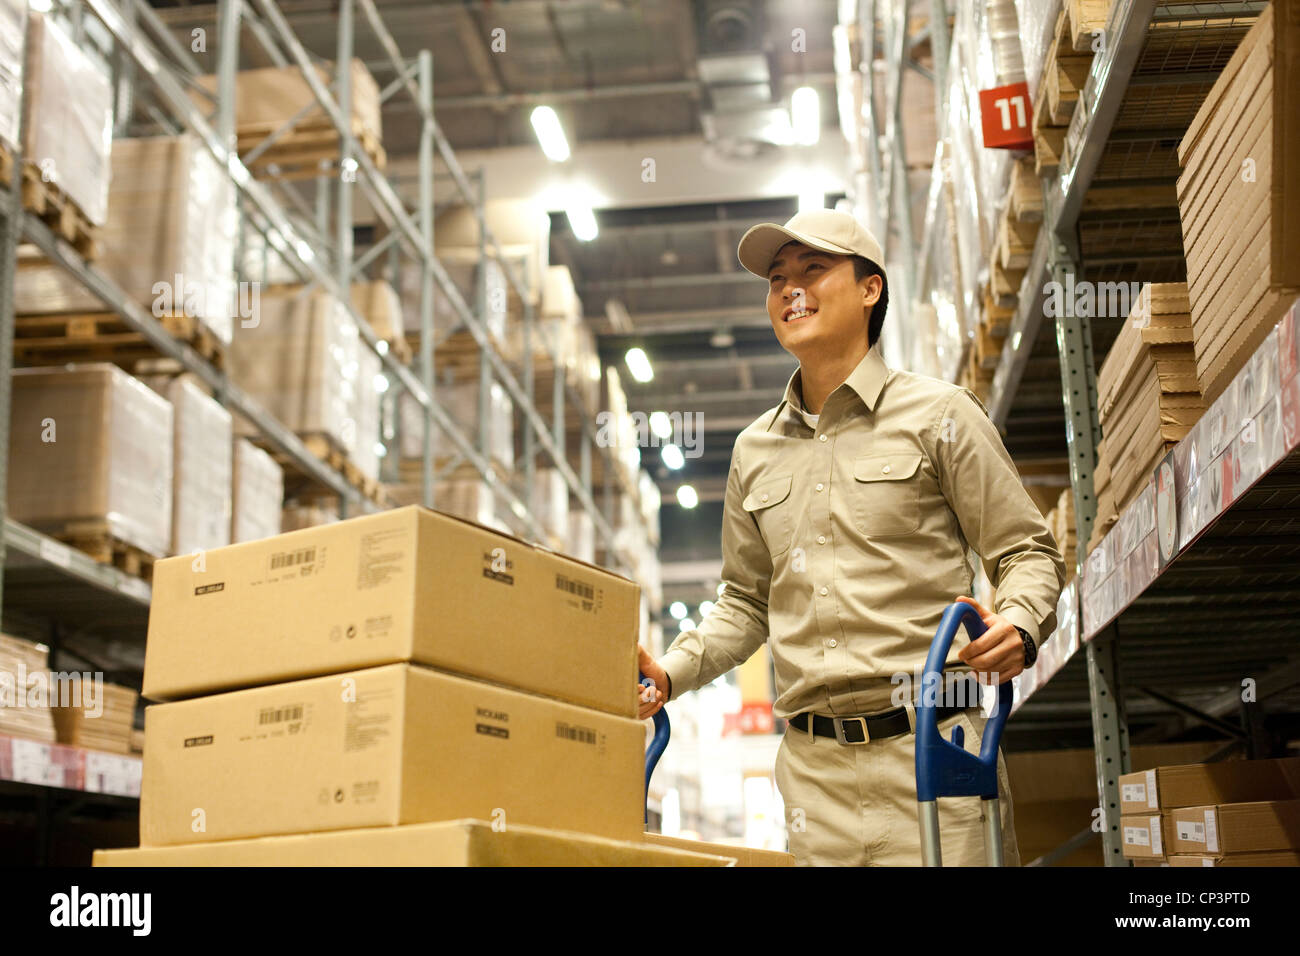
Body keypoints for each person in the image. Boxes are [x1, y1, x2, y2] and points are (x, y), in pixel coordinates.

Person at [636, 208, 1066, 866]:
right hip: (814, 777)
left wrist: (1020, 621)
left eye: (813, 269)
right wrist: (670, 672)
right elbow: (746, 602)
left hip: (931, 752)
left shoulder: (939, 415)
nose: (789, 289)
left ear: (871, 289)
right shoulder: (755, 451)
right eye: (777, 279)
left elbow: (1024, 550)